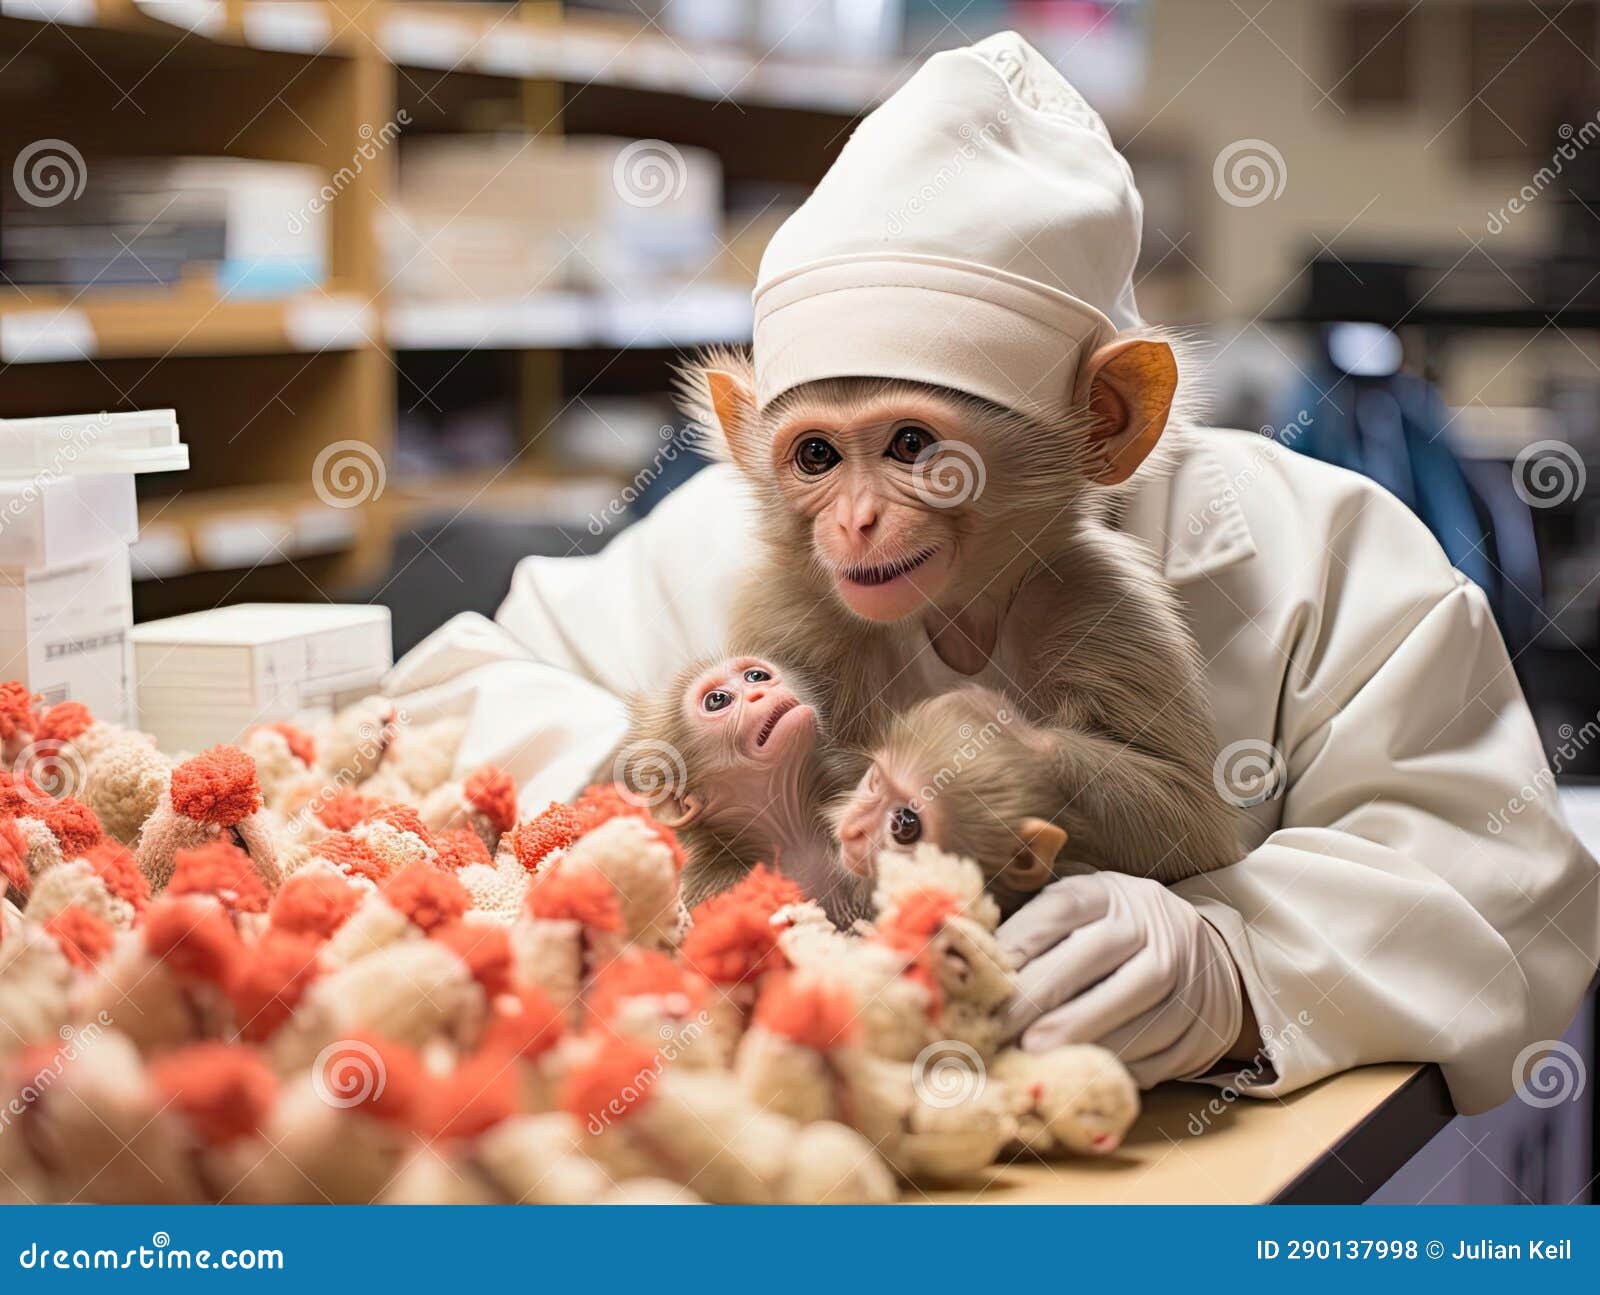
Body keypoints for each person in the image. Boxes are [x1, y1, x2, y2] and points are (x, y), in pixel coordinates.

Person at [389, 33, 1599, 1113]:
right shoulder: (724, 536)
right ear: (750, 431)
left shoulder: (1320, 548)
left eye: (916, 445)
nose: (854, 517)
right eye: (815, 452)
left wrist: (1244, 964)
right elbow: (455, 695)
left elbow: (1515, 891)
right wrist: (671, 782)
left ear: (1108, 417)